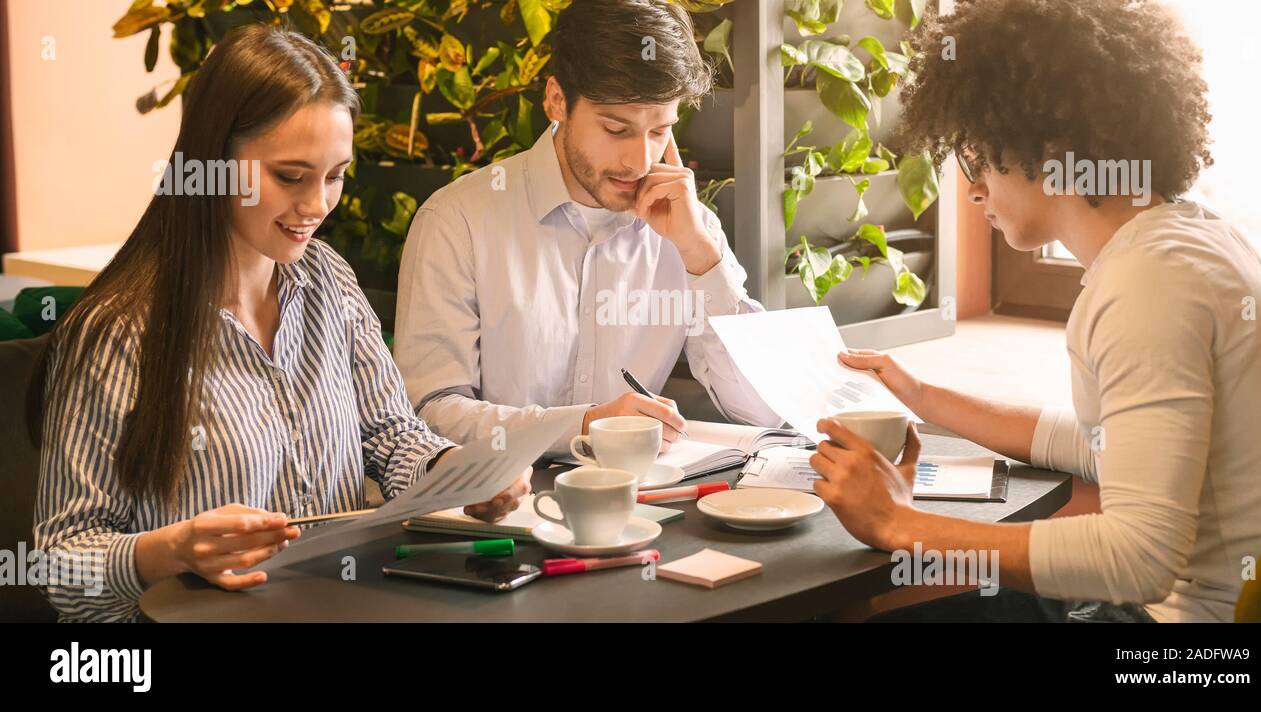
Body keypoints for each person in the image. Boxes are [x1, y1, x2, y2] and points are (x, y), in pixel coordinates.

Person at [810, 0, 1261, 622]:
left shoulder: (1148, 285)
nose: (975, 187)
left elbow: (1137, 559)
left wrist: (897, 523)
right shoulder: (1187, 239)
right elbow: (1108, 444)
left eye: (976, 155)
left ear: (1052, 147)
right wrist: (924, 398)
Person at [28, 25, 527, 623]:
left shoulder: (326, 280)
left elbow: (390, 433)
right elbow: (61, 565)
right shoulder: (117, 332)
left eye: (336, 175)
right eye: (290, 177)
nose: (317, 205)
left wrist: (455, 473)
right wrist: (169, 551)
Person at [394, 0, 782, 460]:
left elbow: (766, 409)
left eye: (660, 131)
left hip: (644, 509)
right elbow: (427, 414)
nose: (639, 162)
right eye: (616, 129)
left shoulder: (689, 229)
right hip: (492, 509)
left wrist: (701, 258)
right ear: (557, 100)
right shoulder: (457, 221)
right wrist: (582, 426)